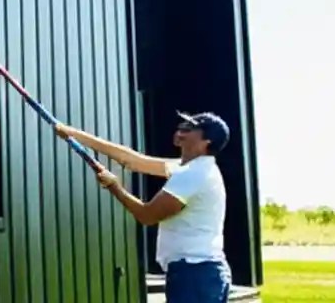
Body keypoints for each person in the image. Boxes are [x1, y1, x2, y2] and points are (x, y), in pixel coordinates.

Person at [57, 111, 232, 303]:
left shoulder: (193, 174)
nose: (182, 131)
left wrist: (114, 186)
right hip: (199, 272)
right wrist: (73, 134)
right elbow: (132, 160)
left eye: (191, 128)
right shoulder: (192, 169)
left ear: (206, 141)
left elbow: (147, 215)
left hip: (195, 273)